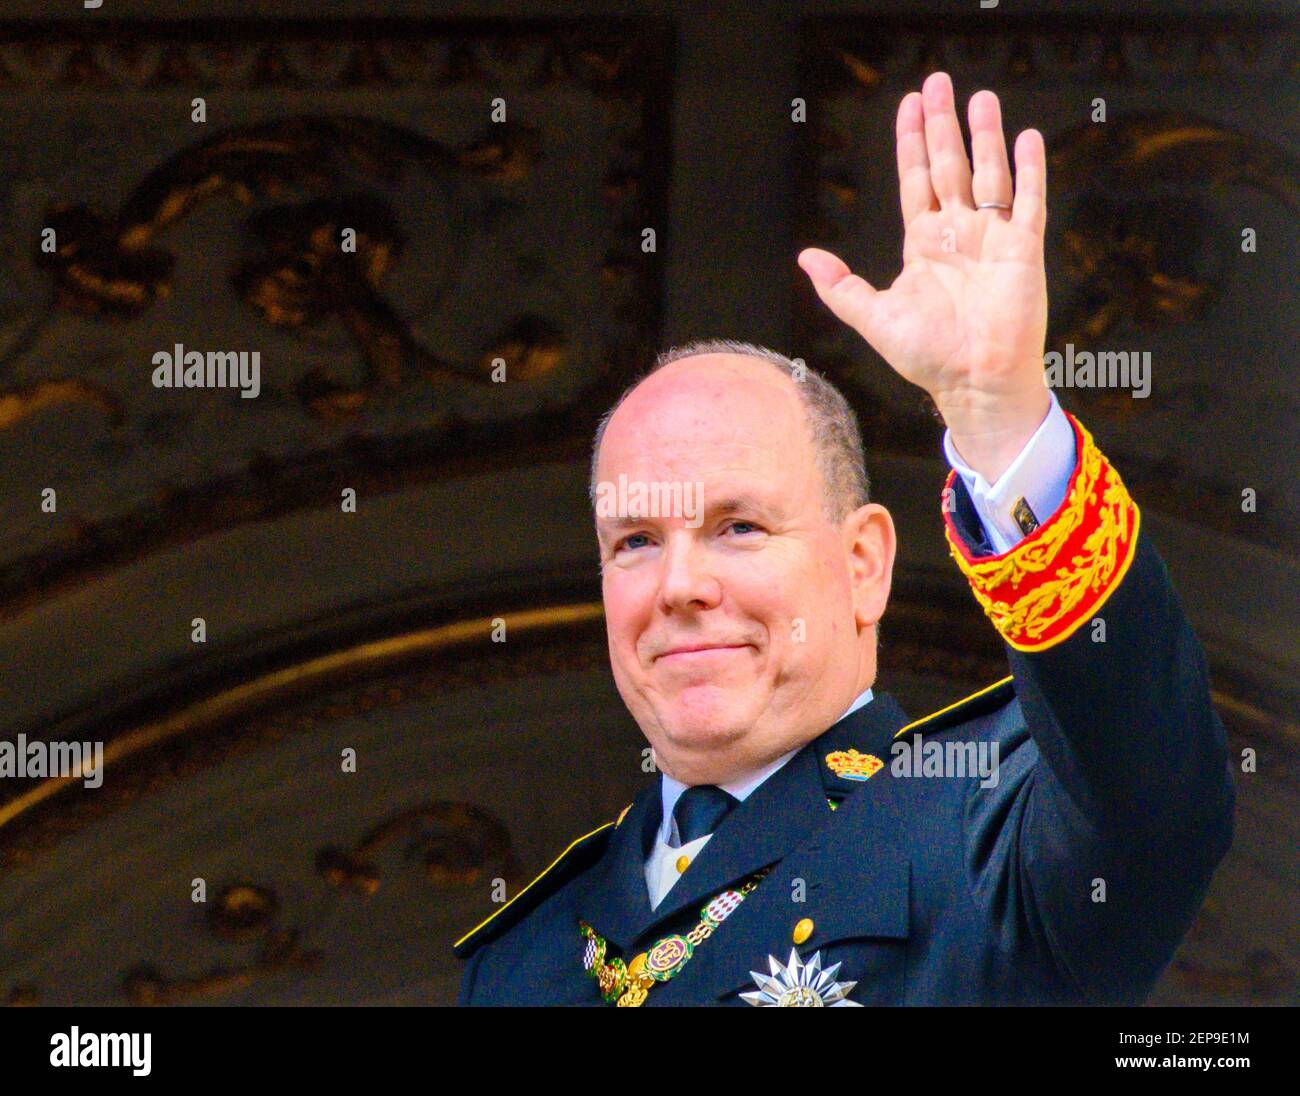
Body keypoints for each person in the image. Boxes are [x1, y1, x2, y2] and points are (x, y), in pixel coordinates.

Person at [453, 72, 1234, 1006]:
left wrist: (998, 415)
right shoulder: (521, 961)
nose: (680, 584)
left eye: (738, 527)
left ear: (864, 563)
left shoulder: (987, 835)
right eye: (634, 543)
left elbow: (1154, 802)